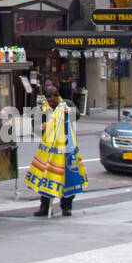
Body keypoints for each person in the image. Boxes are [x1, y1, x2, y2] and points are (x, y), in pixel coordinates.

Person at [25, 88, 88, 217]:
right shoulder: (43, 108)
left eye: (53, 101)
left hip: (65, 149)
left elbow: (76, 116)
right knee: (46, 176)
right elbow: (35, 124)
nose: (51, 104)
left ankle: (66, 206)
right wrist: (40, 126)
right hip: (49, 149)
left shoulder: (66, 104)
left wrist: (69, 111)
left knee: (66, 177)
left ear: (57, 96)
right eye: (49, 102)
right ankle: (45, 206)